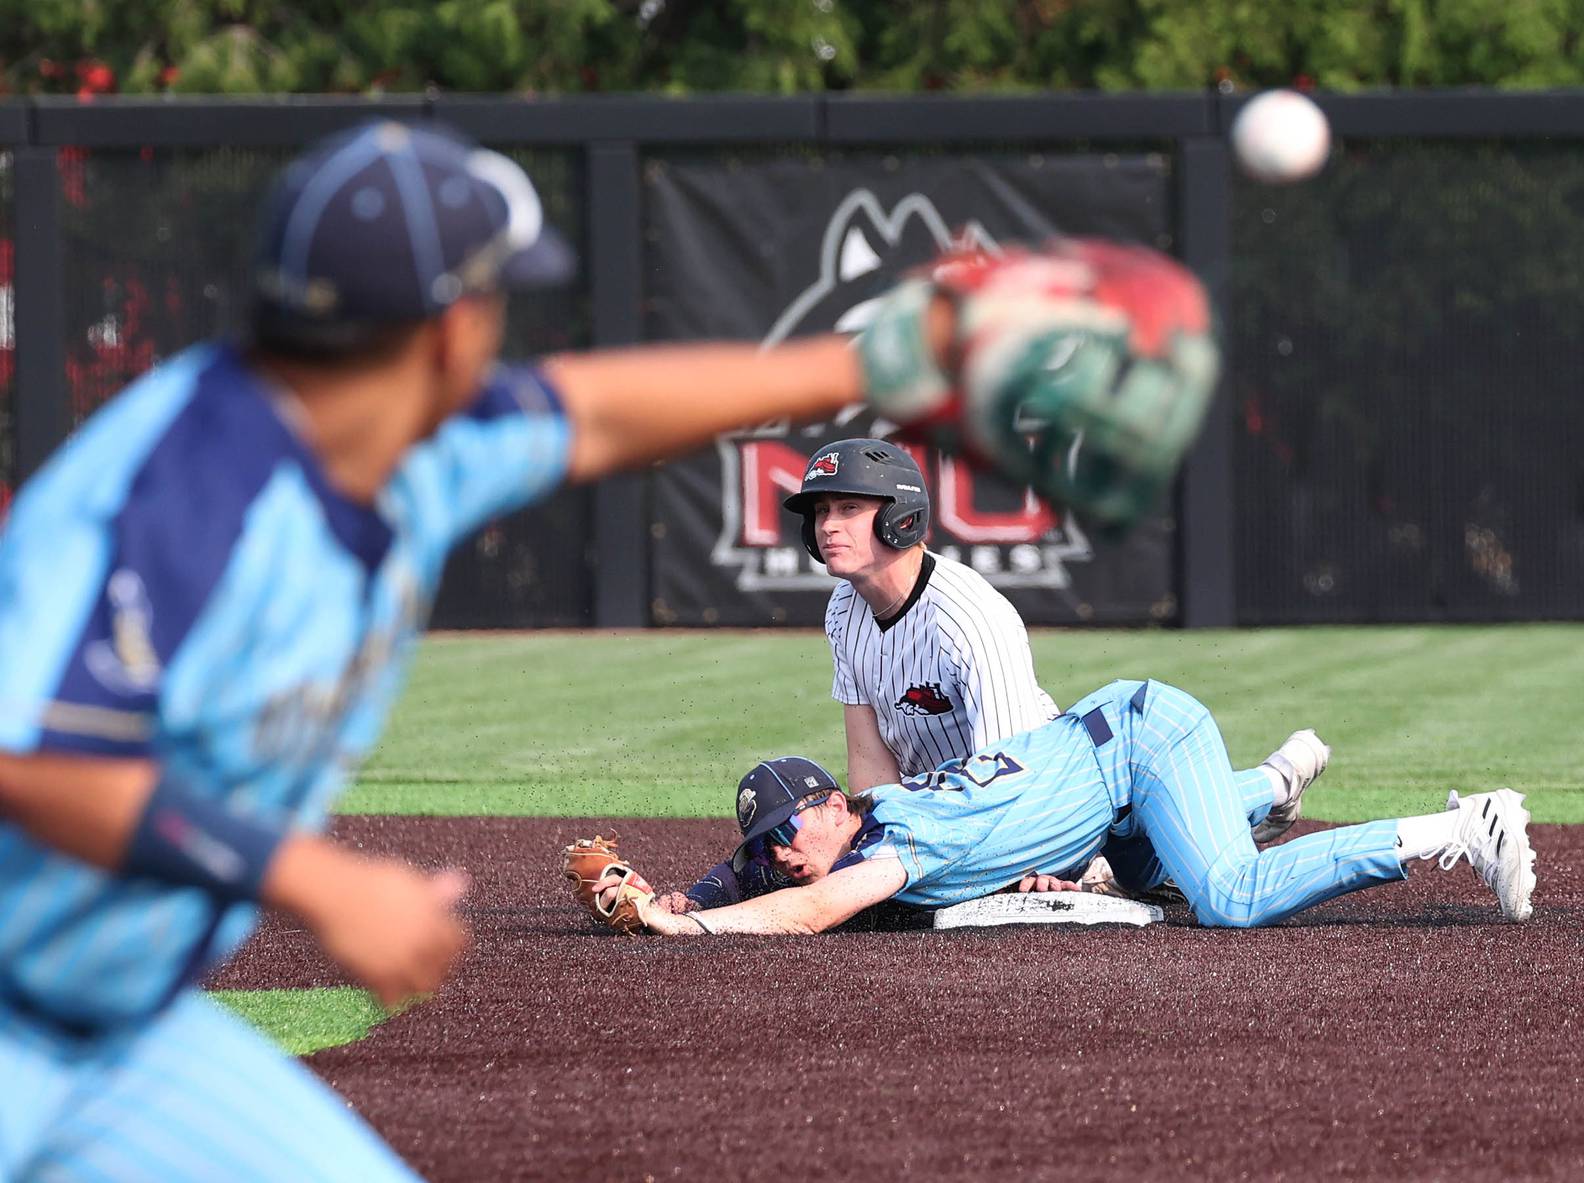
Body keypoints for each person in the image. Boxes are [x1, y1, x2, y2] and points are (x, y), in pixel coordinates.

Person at [0, 121, 1210, 1179]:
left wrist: (881, 363)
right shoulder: (178, 503)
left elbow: (597, 407)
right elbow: (26, 758)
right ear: (442, 328)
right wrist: (319, 882)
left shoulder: (406, 429)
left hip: (118, 1031)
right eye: (491, 294)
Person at [643, 438, 1321, 914]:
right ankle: (1271, 784)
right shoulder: (843, 609)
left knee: (1154, 857)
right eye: (820, 512)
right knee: (1172, 831)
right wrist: (876, 848)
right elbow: (868, 760)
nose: (827, 526)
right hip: (947, 815)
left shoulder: (966, 615)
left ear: (899, 516)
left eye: (848, 508)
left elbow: (1012, 773)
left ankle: (1267, 785)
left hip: (1046, 800)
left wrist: (1037, 865)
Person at [632, 678, 1536, 937]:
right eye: (769, 840)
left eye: (786, 828)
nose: (779, 852)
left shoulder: (900, 832)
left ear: (830, 806)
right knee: (1158, 868)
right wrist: (677, 895)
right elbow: (761, 867)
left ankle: (1462, 824)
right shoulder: (855, 813)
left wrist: (698, 933)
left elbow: (814, 907)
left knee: (1228, 895)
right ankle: (1270, 784)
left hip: (1141, 743)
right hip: (1112, 789)